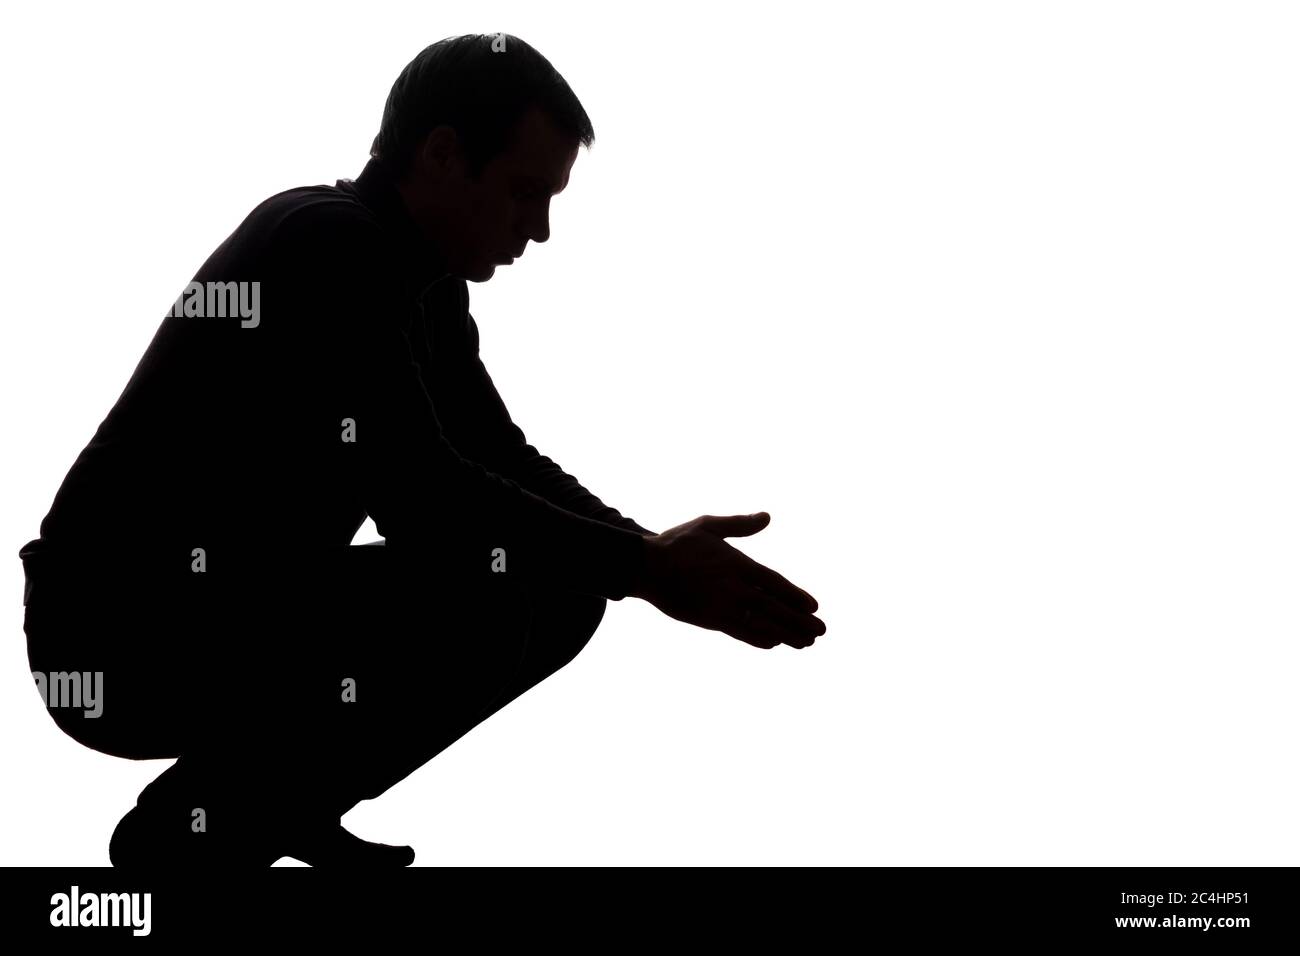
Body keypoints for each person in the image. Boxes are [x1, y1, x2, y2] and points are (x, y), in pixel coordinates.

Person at [18, 32, 826, 867]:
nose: (540, 230)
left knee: (562, 591)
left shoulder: (426, 291)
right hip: (116, 635)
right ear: (443, 153)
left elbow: (497, 456)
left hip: (220, 616)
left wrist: (649, 553)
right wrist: (649, 570)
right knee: (490, 593)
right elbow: (428, 497)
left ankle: (268, 798)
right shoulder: (327, 242)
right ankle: (193, 832)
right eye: (523, 193)